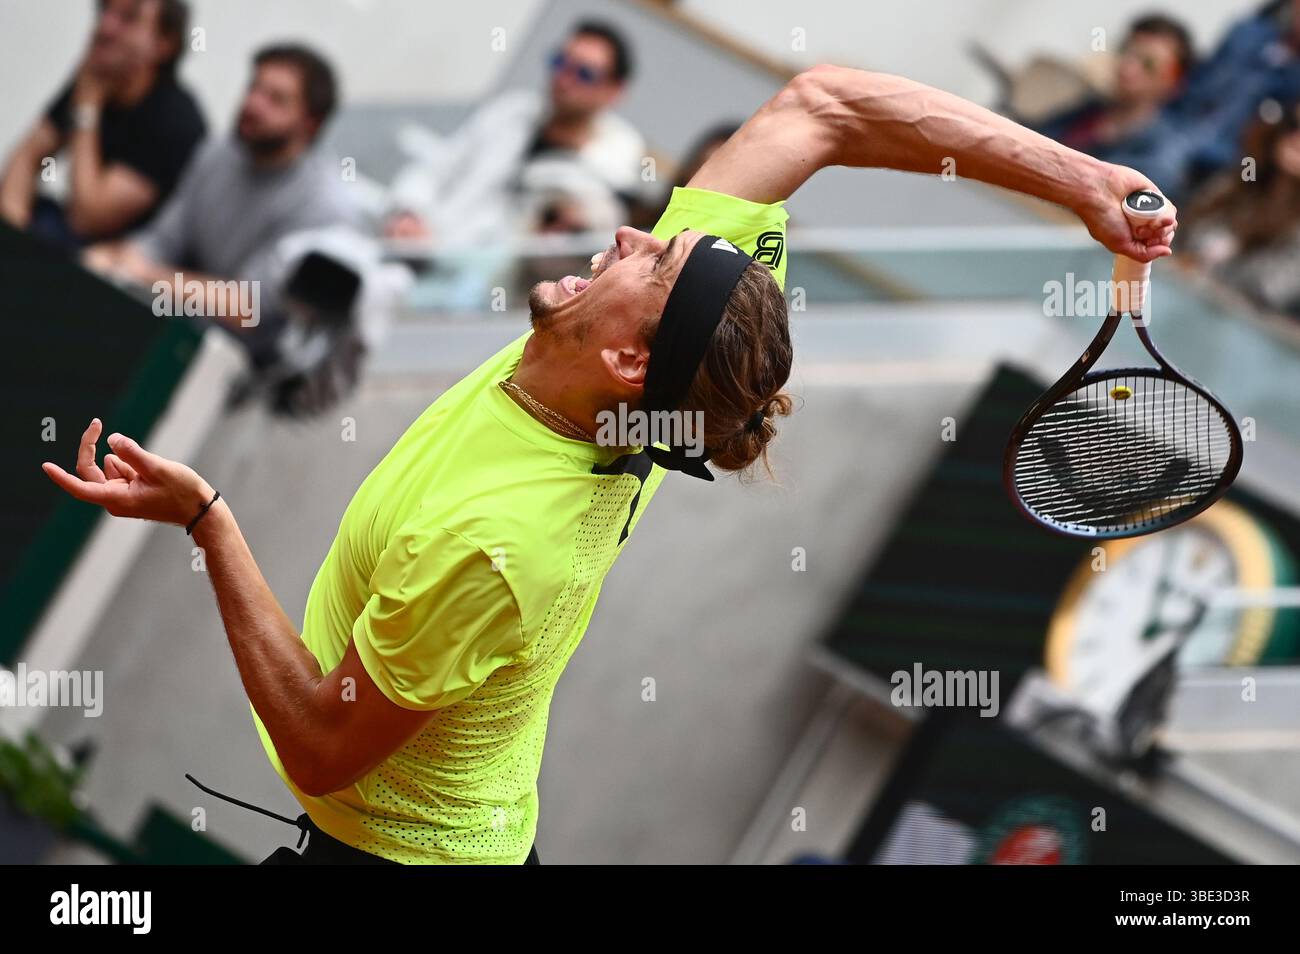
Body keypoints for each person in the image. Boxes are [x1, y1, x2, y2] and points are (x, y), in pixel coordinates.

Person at [42, 63, 1176, 865]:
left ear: (631, 356)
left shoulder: (501, 544)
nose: (634, 232)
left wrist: (211, 523)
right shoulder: (652, 359)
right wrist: (1080, 180)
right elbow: (825, 105)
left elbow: (325, 746)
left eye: (654, 253)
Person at [82, 44, 360, 365]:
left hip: (247, 367)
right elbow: (164, 238)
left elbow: (248, 308)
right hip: (178, 322)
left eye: (276, 99)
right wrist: (116, 261)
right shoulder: (217, 153)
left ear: (311, 123)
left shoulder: (324, 206)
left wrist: (141, 274)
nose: (254, 104)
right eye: (254, 88)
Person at [384, 20, 646, 246]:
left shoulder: (614, 162)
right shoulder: (510, 112)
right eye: (561, 61)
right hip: (422, 249)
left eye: (584, 73)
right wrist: (410, 214)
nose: (564, 79)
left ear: (615, 90)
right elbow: (435, 170)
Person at [0, 0, 204, 250]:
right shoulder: (98, 78)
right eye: (105, 11)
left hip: (124, 265)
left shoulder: (175, 121)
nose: (105, 28)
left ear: (163, 45)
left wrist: (87, 107)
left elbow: (86, 219)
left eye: (128, 19)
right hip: (66, 238)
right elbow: (26, 158)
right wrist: (13, 234)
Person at [1104, 0, 1300, 200]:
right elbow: (1200, 78)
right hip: (1177, 123)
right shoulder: (1249, 33)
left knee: (1160, 169)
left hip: (1230, 160)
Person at [1180, 97, 1300, 318]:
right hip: (1178, 298)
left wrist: (1207, 271)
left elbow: (1270, 290)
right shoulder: (1244, 179)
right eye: (1294, 126)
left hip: (1239, 328)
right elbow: (1186, 227)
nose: (1296, 139)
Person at [1034, 15, 1194, 155]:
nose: (1128, 66)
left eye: (1148, 64)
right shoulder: (1093, 108)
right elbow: (1036, 137)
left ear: (1174, 83)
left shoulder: (1158, 152)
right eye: (1125, 51)